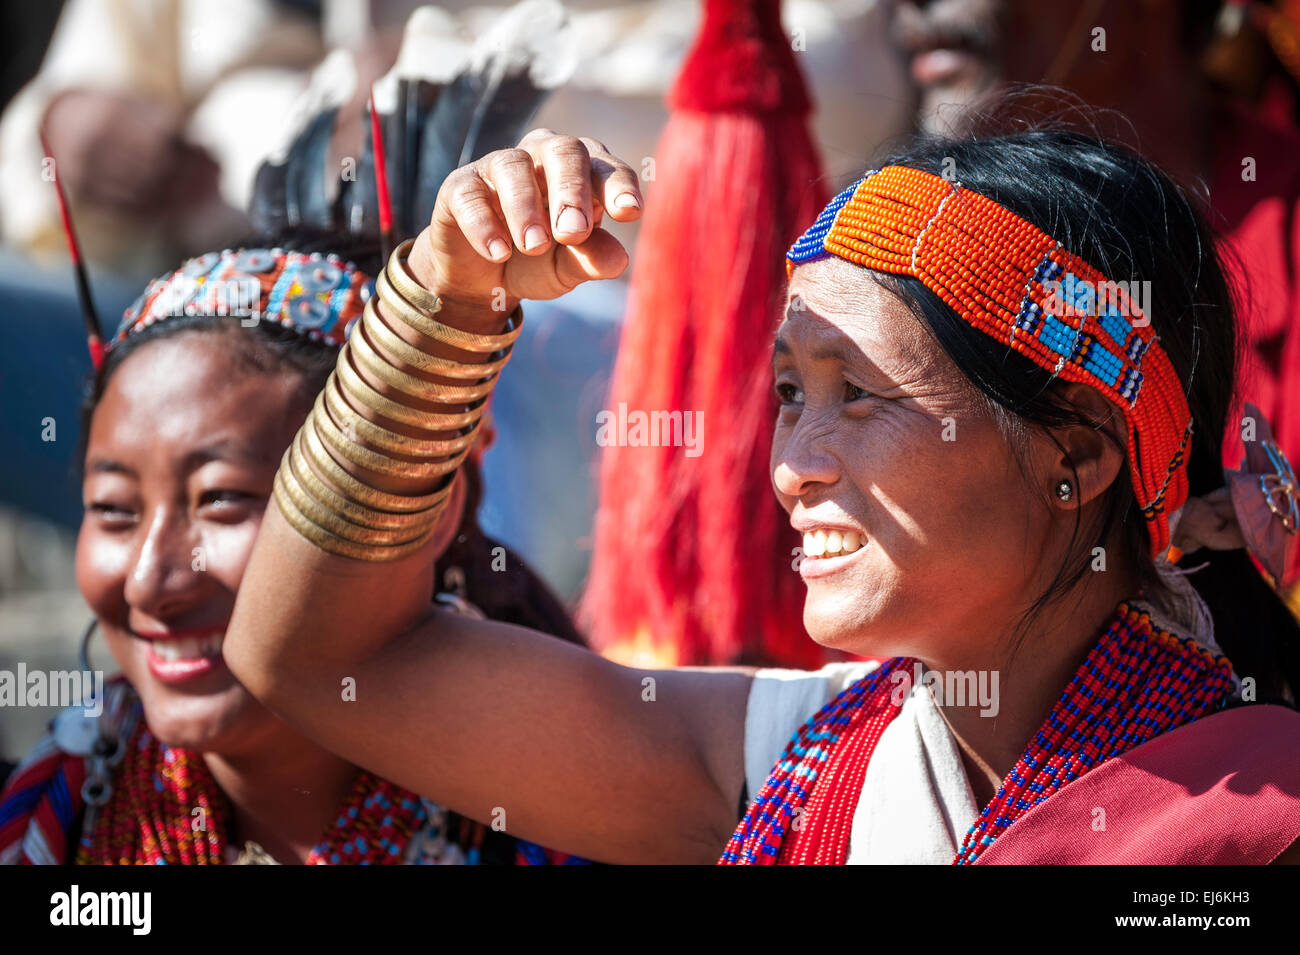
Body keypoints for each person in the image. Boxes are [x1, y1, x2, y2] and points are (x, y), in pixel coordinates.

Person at [224, 125, 1300, 864]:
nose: (793, 464)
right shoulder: (802, 764)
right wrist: (447, 298)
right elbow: (323, 661)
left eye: (861, 395)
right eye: (790, 390)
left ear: (1077, 453)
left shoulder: (1254, 812)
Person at [0, 228, 588, 864]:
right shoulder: (49, 824)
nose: (150, 582)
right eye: (113, 510)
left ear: (430, 515)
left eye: (221, 499)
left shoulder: (592, 816)